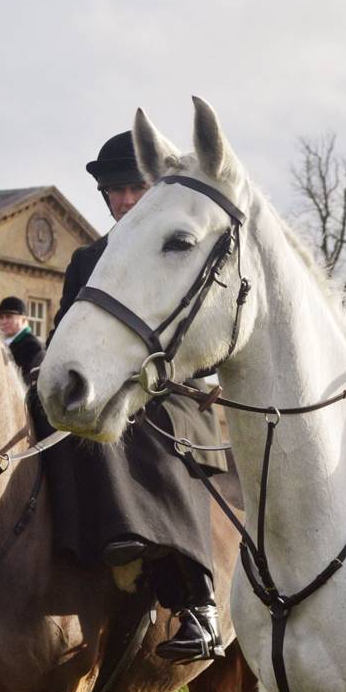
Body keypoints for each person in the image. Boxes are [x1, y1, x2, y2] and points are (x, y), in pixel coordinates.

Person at [43, 130, 228, 663]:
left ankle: (198, 603)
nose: (123, 201)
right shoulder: (87, 259)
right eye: (113, 191)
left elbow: (206, 338)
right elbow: (63, 336)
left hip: (171, 392)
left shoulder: (183, 248)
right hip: (103, 390)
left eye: (133, 189)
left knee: (131, 422)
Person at [0, 296, 44, 384]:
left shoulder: (32, 346)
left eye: (9, 317)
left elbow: (31, 382)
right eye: (1, 318)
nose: (4, 321)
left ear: (23, 319)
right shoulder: (3, 344)